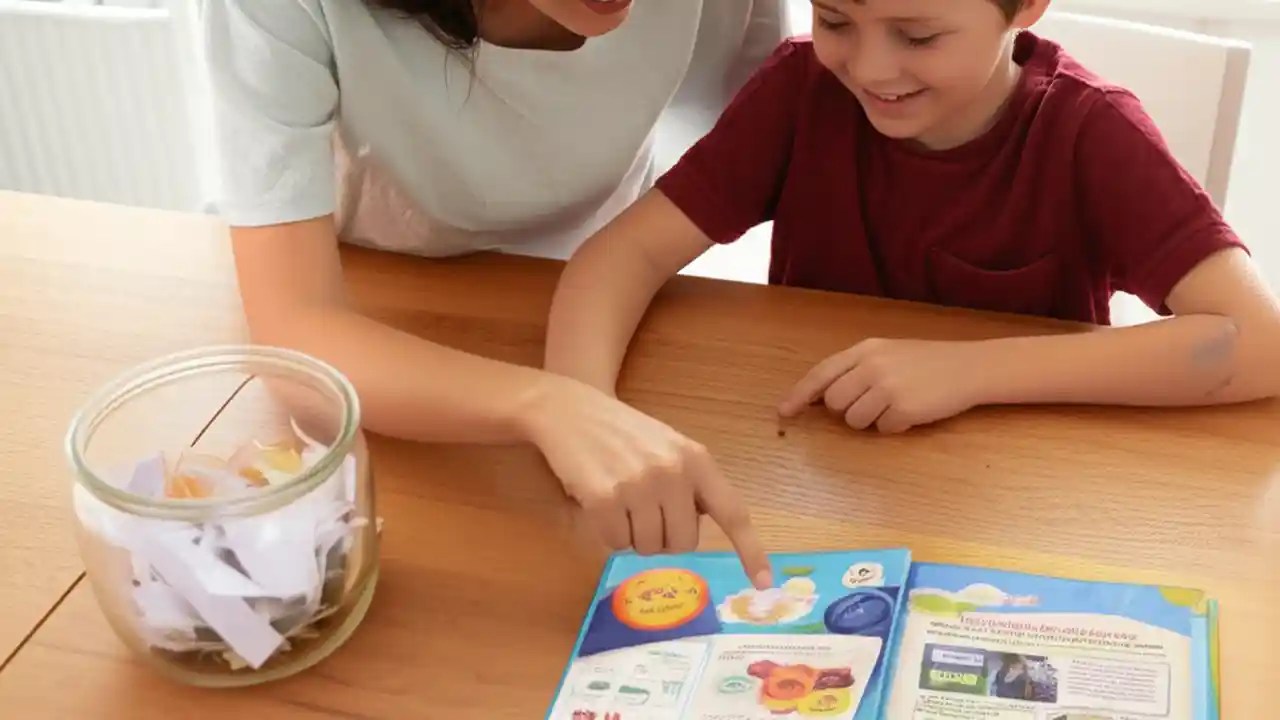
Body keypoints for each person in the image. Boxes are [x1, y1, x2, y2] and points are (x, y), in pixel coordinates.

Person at [544, 0, 1280, 547]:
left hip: (1015, 511)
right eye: (835, 20)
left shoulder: (1091, 131)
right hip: (815, 492)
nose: (868, 68)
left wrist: (971, 372)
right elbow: (620, 257)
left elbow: (1258, 342)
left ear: (1025, 9)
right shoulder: (802, 92)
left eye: (918, 35)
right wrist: (585, 422)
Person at [202, 0, 792, 587]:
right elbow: (295, 331)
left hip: (603, 311)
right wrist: (546, 404)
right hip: (378, 318)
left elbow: (801, 115)